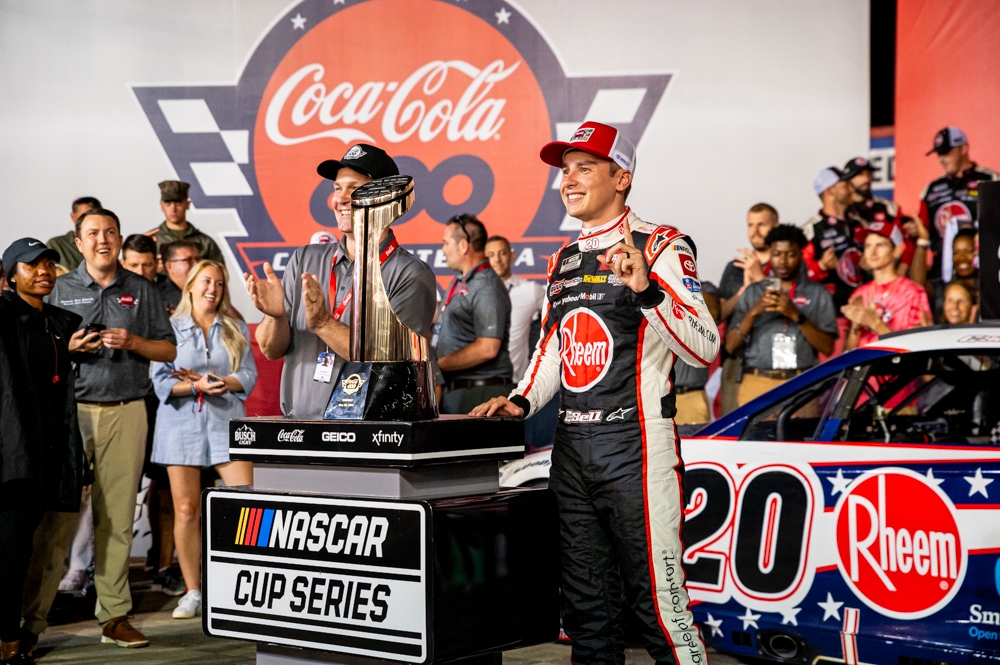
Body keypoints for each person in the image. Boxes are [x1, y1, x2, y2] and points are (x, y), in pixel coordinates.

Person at [472, 121, 718, 664]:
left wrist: (646, 290)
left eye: (584, 167)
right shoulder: (564, 259)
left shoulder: (662, 244)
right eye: (565, 171)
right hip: (573, 450)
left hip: (638, 448)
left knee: (660, 607)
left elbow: (704, 347)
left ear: (622, 177)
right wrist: (519, 401)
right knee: (588, 613)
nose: (568, 181)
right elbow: (550, 355)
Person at [21, 208, 176, 651]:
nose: (103, 240)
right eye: (93, 234)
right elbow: (33, 351)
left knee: (116, 520)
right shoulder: (60, 286)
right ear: (79, 239)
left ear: (120, 238)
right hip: (71, 413)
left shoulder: (141, 288)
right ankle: (30, 623)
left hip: (127, 411)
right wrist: (66, 345)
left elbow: (167, 349)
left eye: (110, 232)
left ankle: (114, 616)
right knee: (58, 518)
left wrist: (134, 342)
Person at [247, 144, 437, 418]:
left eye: (355, 188)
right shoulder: (305, 259)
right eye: (337, 188)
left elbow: (391, 362)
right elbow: (270, 350)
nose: (341, 199)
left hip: (367, 438)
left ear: (387, 198)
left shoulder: (410, 274)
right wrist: (275, 317)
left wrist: (324, 323)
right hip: (297, 431)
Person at [152, 260, 256, 620]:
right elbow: (162, 381)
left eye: (219, 283)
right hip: (179, 425)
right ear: (191, 286)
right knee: (186, 510)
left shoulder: (235, 326)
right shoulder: (169, 327)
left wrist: (220, 381)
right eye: (206, 281)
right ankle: (193, 590)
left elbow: (248, 376)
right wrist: (194, 386)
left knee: (247, 505)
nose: (213, 288)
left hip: (226, 421)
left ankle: (245, 585)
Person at [0, 239, 89, 664]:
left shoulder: (58, 322)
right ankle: (8, 643)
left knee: (20, 553)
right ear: (11, 274)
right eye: (32, 265)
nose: (44, 271)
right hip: (11, 459)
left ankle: (12, 640)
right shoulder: (2, 314)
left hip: (44, 458)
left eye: (50, 264)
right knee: (11, 552)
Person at [119, 233, 181, 595]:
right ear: (124, 262)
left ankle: (163, 564)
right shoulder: (111, 290)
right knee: (118, 494)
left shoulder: (173, 294)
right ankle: (105, 570)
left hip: (164, 406)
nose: (141, 271)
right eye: (134, 265)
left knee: (166, 491)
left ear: (157, 263)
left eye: (147, 264)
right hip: (123, 400)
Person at [727, 225, 837, 406]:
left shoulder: (818, 293)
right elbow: (730, 346)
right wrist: (754, 311)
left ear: (801, 255)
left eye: (790, 254)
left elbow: (827, 348)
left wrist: (796, 315)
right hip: (757, 382)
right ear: (770, 253)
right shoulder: (754, 292)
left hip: (801, 383)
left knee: (798, 434)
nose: (782, 261)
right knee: (755, 435)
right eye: (777, 254)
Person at [435, 215, 513, 415]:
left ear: (463, 245)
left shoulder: (486, 285)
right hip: (460, 391)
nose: (443, 249)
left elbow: (488, 348)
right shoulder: (459, 281)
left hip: (480, 394)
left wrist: (435, 365)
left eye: (445, 243)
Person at [718, 203, 779, 415]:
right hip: (737, 360)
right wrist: (744, 290)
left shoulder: (786, 265)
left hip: (774, 361)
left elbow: (784, 308)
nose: (755, 231)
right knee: (732, 428)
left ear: (775, 226)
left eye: (762, 224)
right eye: (750, 225)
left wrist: (760, 277)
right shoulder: (735, 267)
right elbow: (719, 314)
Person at [918, 127, 999, 282]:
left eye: (947, 153)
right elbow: (922, 232)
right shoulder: (930, 190)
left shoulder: (990, 180)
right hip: (941, 275)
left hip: (984, 275)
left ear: (964, 149)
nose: (942, 159)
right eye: (939, 154)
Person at [842, 221, 932, 350]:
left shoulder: (913, 292)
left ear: (897, 250)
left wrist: (876, 323)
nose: (872, 252)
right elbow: (846, 355)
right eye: (868, 246)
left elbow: (915, 352)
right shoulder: (860, 294)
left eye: (880, 245)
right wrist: (855, 326)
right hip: (867, 369)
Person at [801, 167, 864, 310]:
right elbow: (798, 272)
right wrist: (821, 266)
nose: (851, 190)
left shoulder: (858, 222)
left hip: (865, 304)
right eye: (845, 185)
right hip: (832, 311)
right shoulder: (811, 229)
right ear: (829, 191)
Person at [146, 181, 223, 267]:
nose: (173, 209)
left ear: (187, 204)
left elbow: (219, 273)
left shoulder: (205, 242)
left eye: (178, 204)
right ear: (161, 206)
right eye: (168, 204)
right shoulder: (151, 240)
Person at [45, 197, 101, 273]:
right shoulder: (56, 245)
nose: (90, 220)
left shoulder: (104, 243)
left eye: (95, 216)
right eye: (84, 216)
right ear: (73, 216)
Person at [157, 240, 201, 316]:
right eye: (188, 260)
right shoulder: (157, 299)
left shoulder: (208, 292)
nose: (196, 264)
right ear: (169, 266)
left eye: (198, 259)